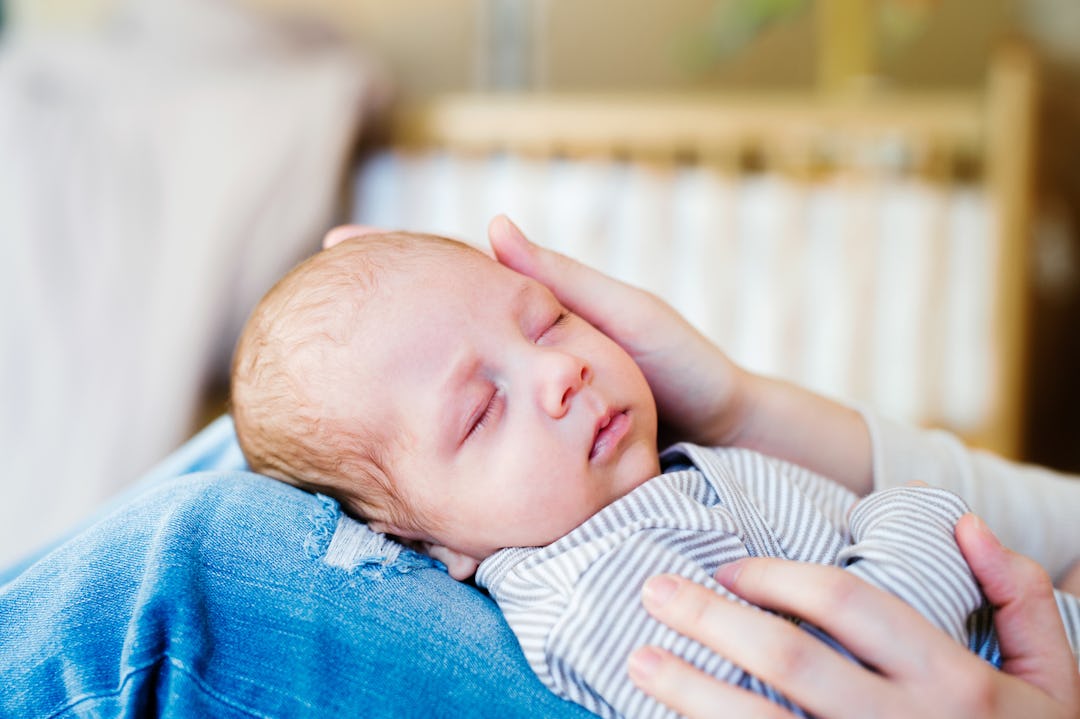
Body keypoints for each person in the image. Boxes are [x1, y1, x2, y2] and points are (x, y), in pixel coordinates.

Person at [1, 217, 1077, 719]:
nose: (560, 372)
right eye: (483, 410)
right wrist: (914, 518)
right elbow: (808, 682)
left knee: (193, 543)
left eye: (547, 320)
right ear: (428, 552)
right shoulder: (597, 593)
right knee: (239, 467)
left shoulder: (660, 490)